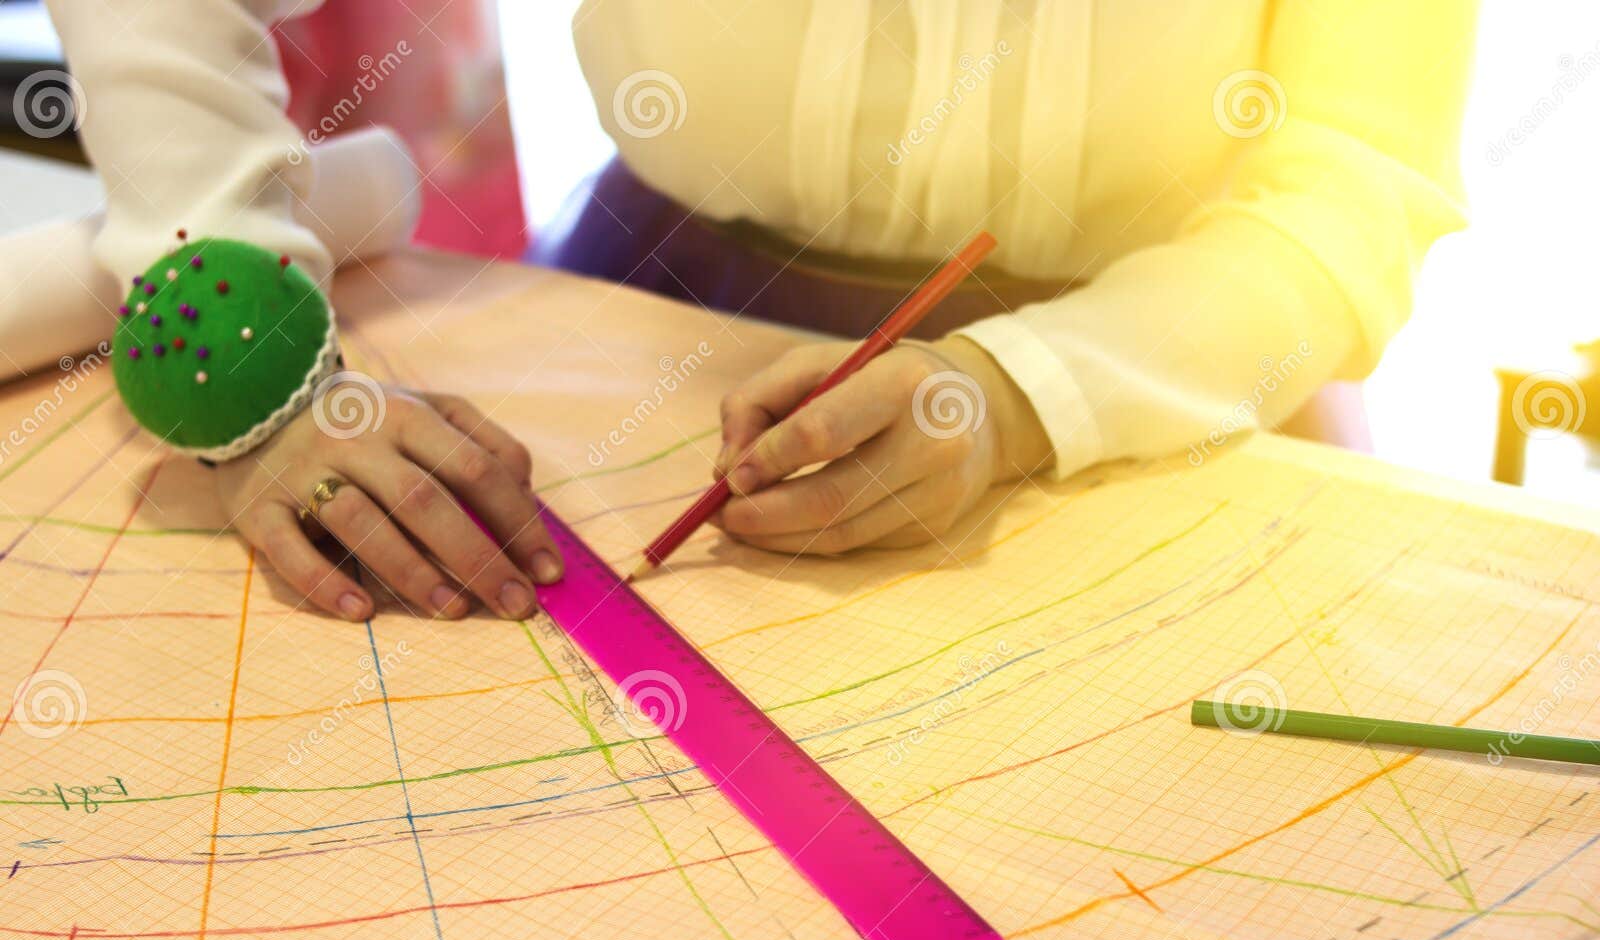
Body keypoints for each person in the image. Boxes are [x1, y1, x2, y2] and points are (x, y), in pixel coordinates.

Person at [35, 0, 1474, 620]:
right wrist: (243, 351)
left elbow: (1353, 188)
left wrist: (1024, 391)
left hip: (1165, 364)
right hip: (648, 303)